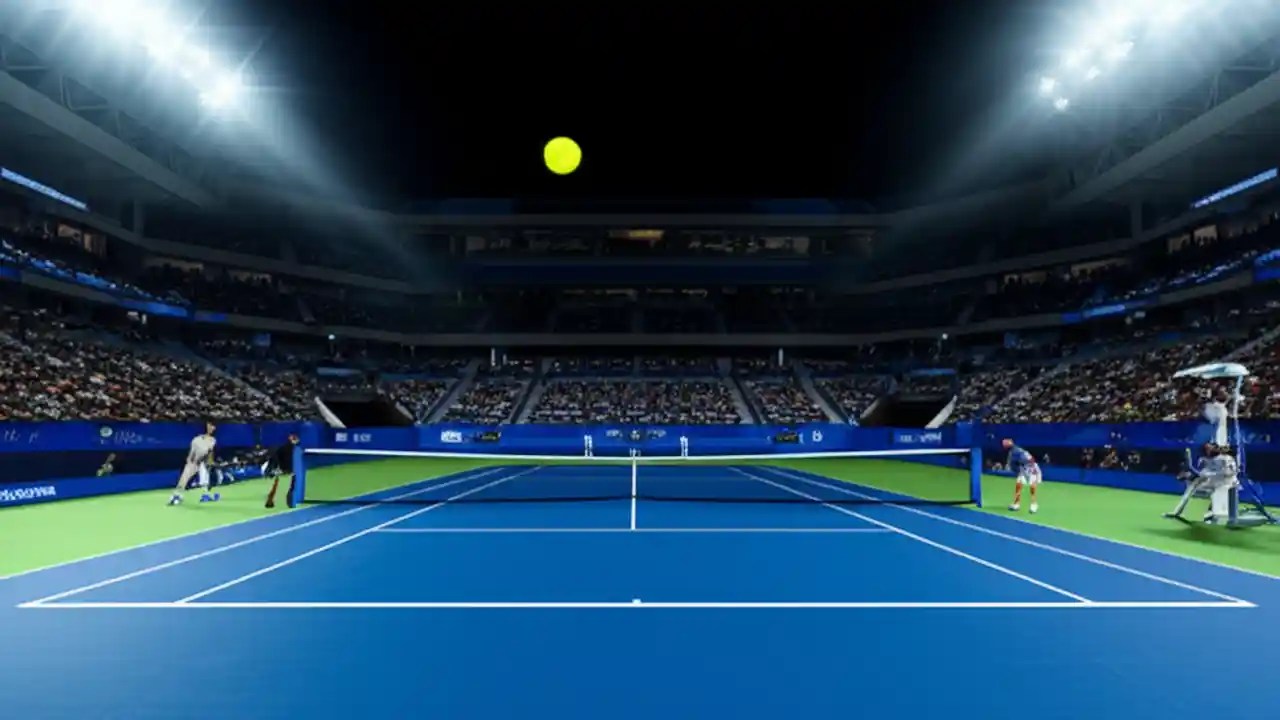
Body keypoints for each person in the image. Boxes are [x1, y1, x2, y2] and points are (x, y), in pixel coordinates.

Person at [169, 422, 218, 506]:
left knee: (205, 480)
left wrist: (210, 462)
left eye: (213, 426)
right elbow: (191, 452)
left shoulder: (213, 440)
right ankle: (176, 496)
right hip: (193, 462)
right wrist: (190, 462)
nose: (211, 428)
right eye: (209, 426)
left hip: (203, 463)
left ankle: (205, 495)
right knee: (184, 479)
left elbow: (210, 452)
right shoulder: (196, 439)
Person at [1003, 438, 1041, 514]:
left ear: (1010, 443)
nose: (1004, 444)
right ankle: (1016, 504)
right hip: (1023, 469)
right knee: (1018, 485)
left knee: (1032, 487)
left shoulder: (1017, 451)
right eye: (1003, 443)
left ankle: (1034, 505)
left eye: (1005, 443)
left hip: (1031, 468)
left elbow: (1030, 459)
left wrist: (1032, 468)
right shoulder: (1012, 452)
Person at [264, 433, 301, 509]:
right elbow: (276, 457)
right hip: (286, 471)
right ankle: (289, 502)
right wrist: (276, 467)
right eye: (295, 439)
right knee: (289, 487)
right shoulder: (290, 448)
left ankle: (272, 502)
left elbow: (275, 457)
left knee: (278, 486)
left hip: (285, 470)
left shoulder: (289, 448)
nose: (297, 441)